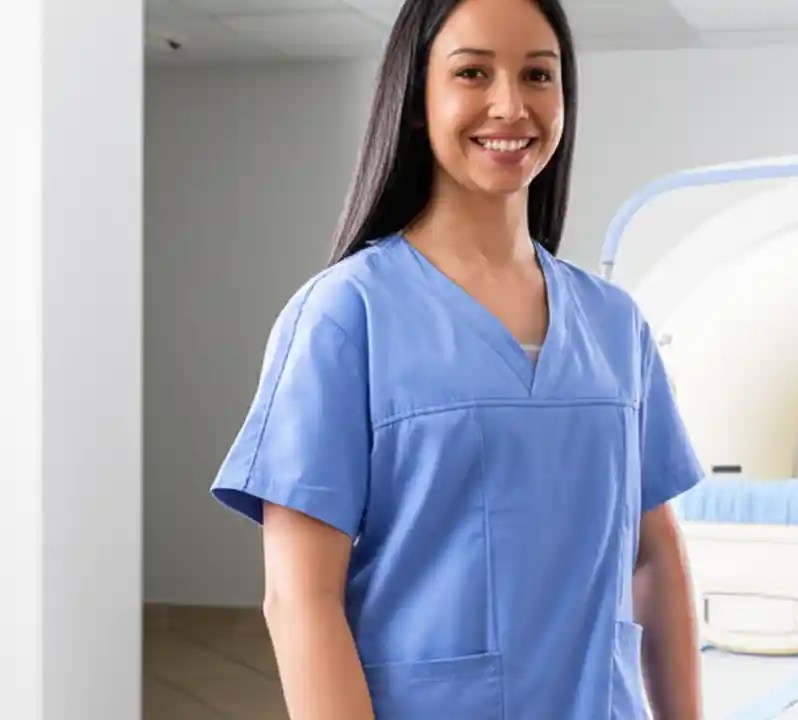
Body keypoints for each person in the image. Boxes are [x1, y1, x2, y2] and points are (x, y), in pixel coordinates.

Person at [208, 0, 706, 717]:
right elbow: (300, 598)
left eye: (539, 75)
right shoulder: (346, 315)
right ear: (417, 100)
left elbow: (654, 558)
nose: (511, 105)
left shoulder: (613, 324)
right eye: (472, 72)